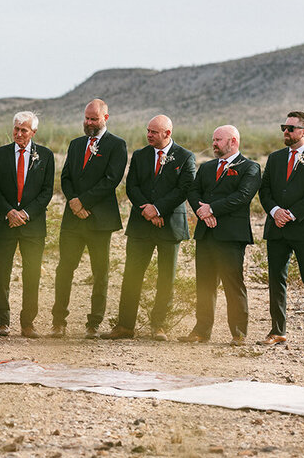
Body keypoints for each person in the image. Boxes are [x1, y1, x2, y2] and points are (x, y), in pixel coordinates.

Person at [102, 115, 195, 341]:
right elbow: (131, 185)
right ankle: (125, 326)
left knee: (166, 277)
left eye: (154, 132)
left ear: (167, 134)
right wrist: (147, 210)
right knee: (132, 274)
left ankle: (159, 326)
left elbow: (184, 189)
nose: (149, 135)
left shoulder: (185, 157)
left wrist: (159, 209)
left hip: (169, 225)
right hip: (141, 224)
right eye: (148, 131)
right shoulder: (141, 155)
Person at [52, 99, 128, 339]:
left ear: (105, 118)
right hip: (73, 220)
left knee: (100, 271)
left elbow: (111, 179)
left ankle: (94, 323)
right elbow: (65, 177)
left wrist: (83, 202)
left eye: (93, 119)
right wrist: (73, 201)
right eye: (86, 118)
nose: (88, 122)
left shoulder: (117, 145)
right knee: (65, 268)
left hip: (99, 219)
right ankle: (58, 321)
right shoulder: (75, 145)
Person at [258, 111, 304, 349]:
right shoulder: (275, 158)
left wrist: (291, 214)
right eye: (284, 127)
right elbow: (265, 190)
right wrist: (275, 211)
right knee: (276, 280)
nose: (285, 132)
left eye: (290, 128)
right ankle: (278, 331)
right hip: (277, 228)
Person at [182, 125, 261, 345]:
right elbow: (193, 190)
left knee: (233, 284)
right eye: (213, 139)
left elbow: (242, 196)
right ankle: (201, 331)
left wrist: (212, 209)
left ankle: (238, 333)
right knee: (204, 284)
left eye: (218, 140)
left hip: (231, 236)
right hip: (206, 234)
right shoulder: (207, 167)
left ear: (233, 141)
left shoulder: (250, 167)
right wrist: (202, 211)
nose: (214, 143)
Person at [0, 111, 55, 338]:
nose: (18, 133)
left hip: (33, 226)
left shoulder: (45, 156)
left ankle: (28, 323)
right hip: (5, 223)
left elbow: (47, 192)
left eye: (23, 130)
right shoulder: (0, 155)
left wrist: (25, 214)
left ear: (33, 132)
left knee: (32, 273)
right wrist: (9, 212)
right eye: (16, 129)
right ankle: (2, 321)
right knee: (1, 273)